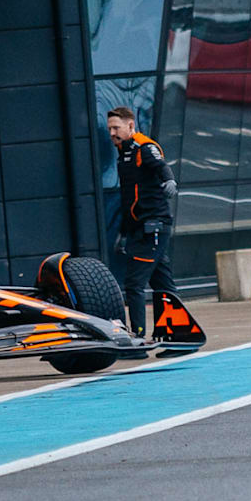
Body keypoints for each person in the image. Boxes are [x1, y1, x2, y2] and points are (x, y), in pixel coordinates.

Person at [107, 106, 179, 340]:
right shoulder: (123, 152)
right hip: (140, 228)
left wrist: (169, 181)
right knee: (163, 283)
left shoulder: (143, 147)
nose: (112, 133)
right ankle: (176, 335)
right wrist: (124, 232)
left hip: (154, 226)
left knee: (134, 284)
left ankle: (137, 338)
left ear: (130, 125)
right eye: (109, 129)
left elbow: (161, 166)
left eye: (116, 128)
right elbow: (130, 197)